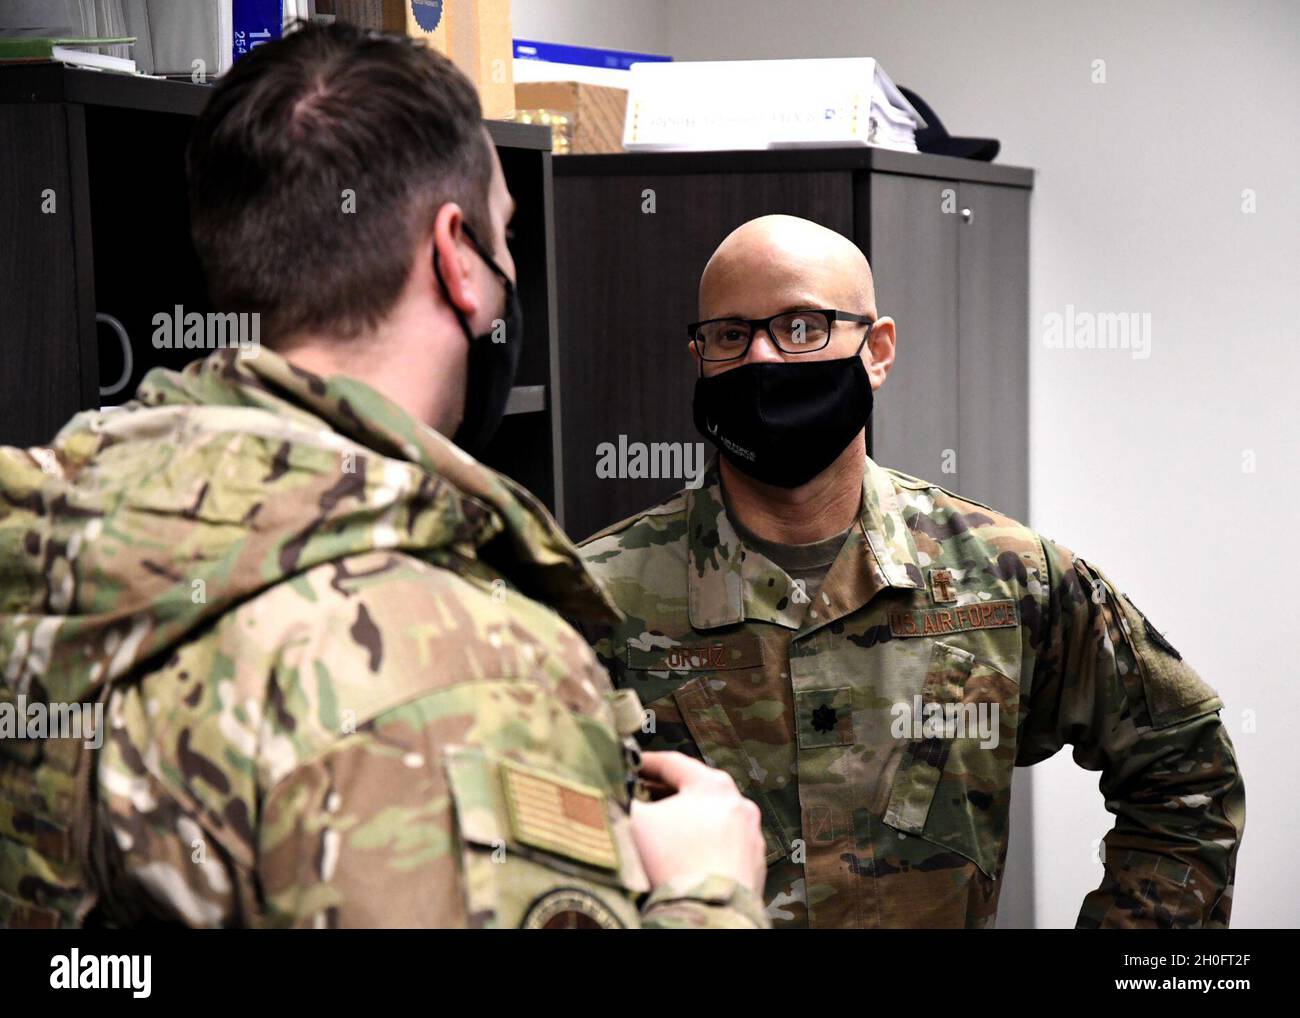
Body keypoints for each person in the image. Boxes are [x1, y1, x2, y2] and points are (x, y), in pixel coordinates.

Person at [0, 22, 766, 929]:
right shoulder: (473, 666)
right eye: (507, 235)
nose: (511, 268)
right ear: (457, 257)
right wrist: (709, 890)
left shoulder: (42, 528)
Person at [578, 213, 1245, 929]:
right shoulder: (595, 601)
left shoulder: (1006, 575)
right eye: (731, 336)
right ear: (699, 355)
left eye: (802, 327)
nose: (764, 360)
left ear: (877, 350)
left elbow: (1187, 773)